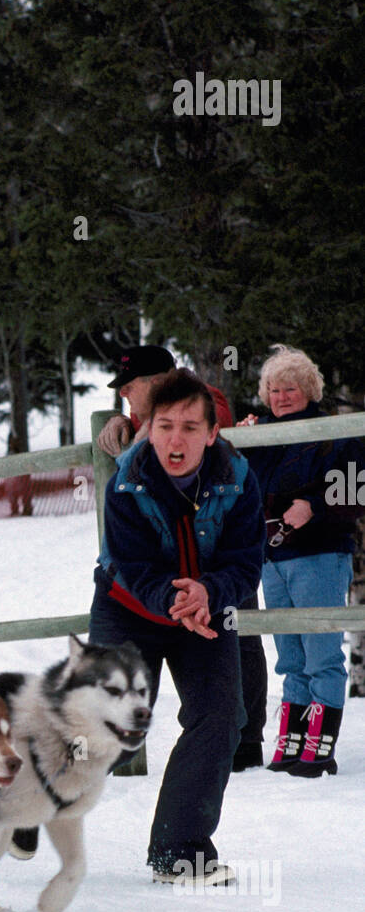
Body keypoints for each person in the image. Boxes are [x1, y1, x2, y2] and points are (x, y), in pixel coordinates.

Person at [89, 368, 264, 885]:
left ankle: (179, 850)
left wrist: (209, 592)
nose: (176, 439)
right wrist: (175, 598)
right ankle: (23, 798)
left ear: (212, 433)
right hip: (130, 607)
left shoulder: (238, 477)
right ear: (148, 426)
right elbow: (130, 563)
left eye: (190, 427)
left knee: (219, 717)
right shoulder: (127, 478)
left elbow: (245, 560)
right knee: (104, 727)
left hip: (205, 610)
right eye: (165, 425)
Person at [237, 345, 358, 776]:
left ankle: (318, 747)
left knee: (321, 651)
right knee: (289, 654)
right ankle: (291, 741)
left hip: (320, 554)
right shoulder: (260, 436)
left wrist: (314, 504)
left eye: (290, 388)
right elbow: (236, 482)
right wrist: (243, 438)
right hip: (273, 557)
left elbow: (357, 485)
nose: (282, 397)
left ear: (308, 391)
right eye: (274, 389)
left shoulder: (335, 430)